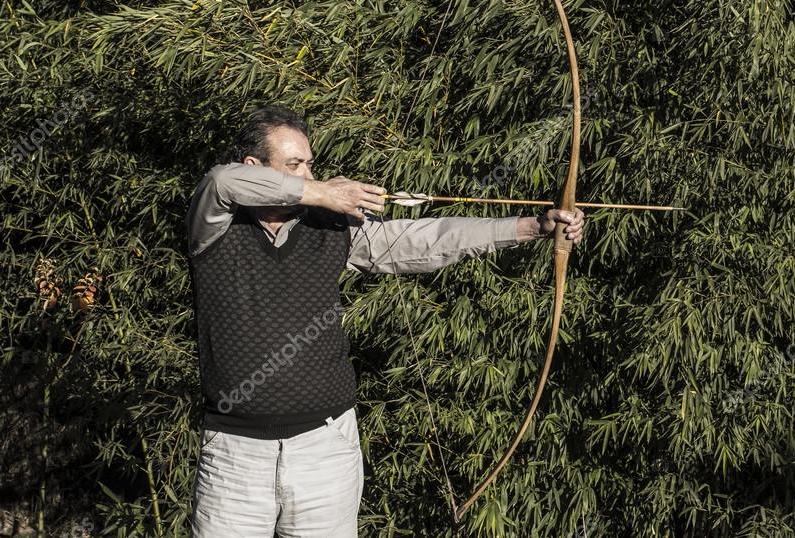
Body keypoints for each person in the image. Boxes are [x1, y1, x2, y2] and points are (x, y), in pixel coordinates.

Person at [185, 105, 585, 536]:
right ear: (255, 167)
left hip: (326, 448)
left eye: (310, 164)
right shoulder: (215, 224)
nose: (309, 174)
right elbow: (221, 180)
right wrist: (324, 193)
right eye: (295, 165)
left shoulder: (329, 228)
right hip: (234, 455)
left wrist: (529, 228)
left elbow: (426, 239)